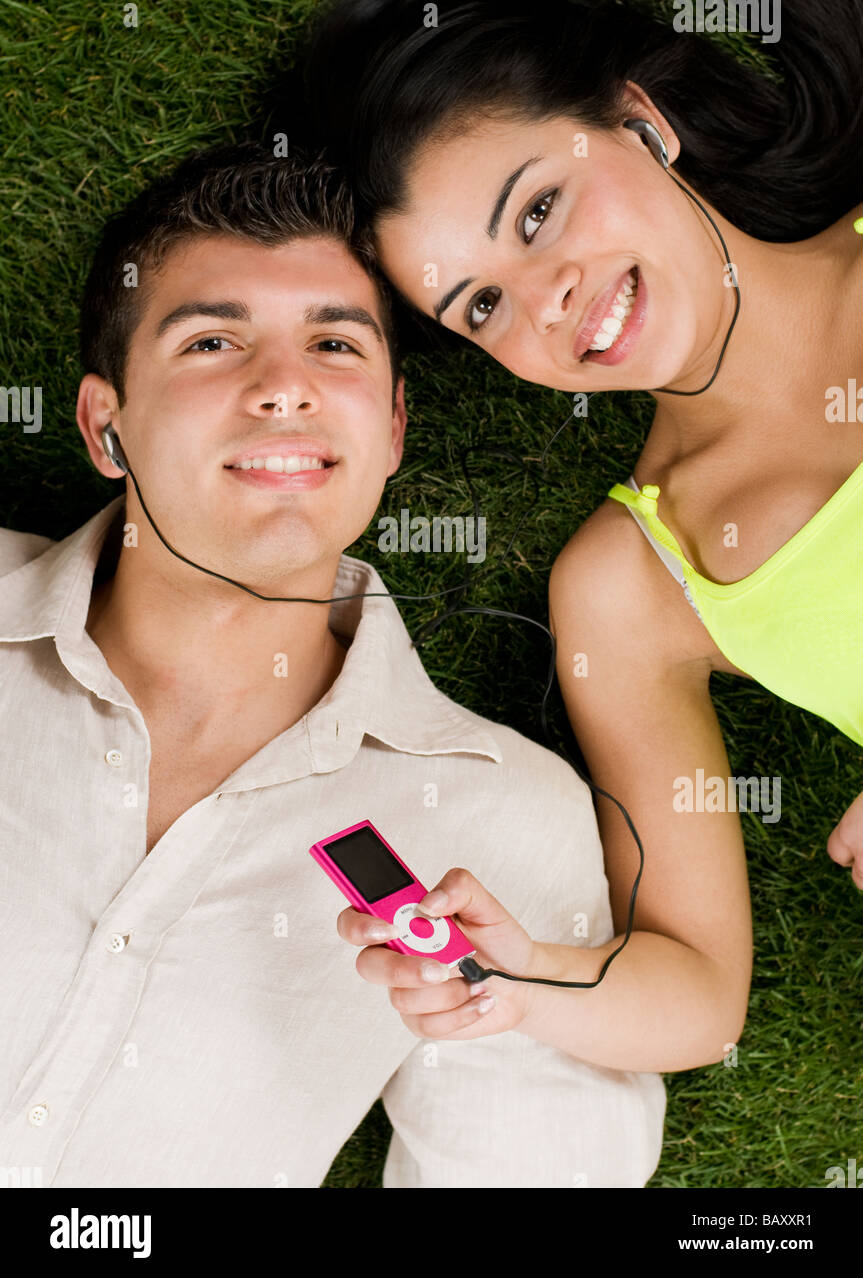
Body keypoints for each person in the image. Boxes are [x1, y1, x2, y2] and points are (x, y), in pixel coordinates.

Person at [0, 140, 670, 1189]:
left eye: (336, 346)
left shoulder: (500, 821)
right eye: (213, 342)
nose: (282, 389)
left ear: (394, 426)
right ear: (105, 425)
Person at [285, 0, 863, 1040]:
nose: (543, 299)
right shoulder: (630, 584)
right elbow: (695, 995)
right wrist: (519, 977)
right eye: (481, 305)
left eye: (539, 207)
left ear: (641, 122)